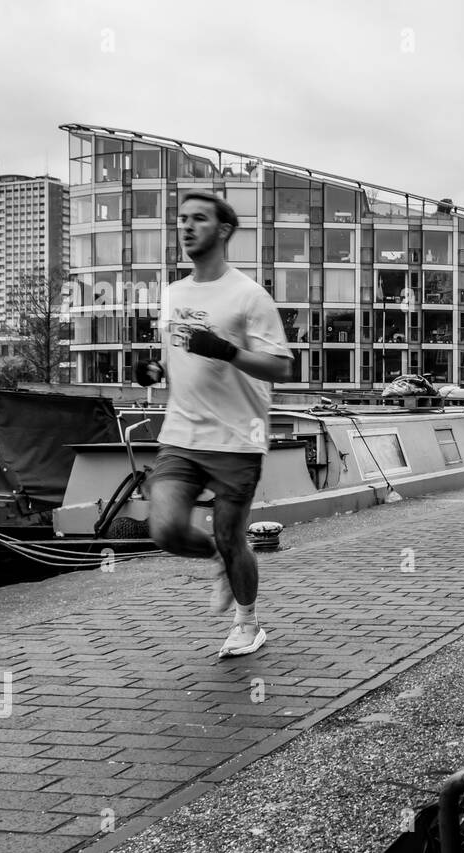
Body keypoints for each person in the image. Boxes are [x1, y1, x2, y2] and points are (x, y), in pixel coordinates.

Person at [135, 191, 293, 658]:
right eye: (182, 219)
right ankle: (220, 562)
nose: (186, 227)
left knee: (230, 535)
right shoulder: (173, 292)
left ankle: (247, 623)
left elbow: (281, 367)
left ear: (223, 230)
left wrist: (225, 350)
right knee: (164, 529)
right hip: (181, 434)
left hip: (237, 437)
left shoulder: (248, 295)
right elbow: (174, 352)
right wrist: (155, 370)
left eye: (198, 219)